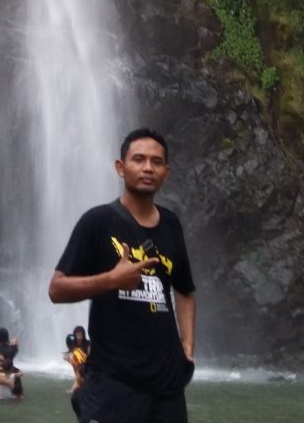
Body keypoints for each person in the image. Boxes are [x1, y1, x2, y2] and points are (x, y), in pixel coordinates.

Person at [49, 127, 196, 423]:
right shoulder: (97, 221)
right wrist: (111, 280)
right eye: (138, 159)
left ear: (166, 172)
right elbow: (57, 288)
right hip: (114, 381)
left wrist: (188, 346)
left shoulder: (171, 224)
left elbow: (185, 289)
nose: (147, 168)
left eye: (156, 162)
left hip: (167, 384)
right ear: (121, 167)